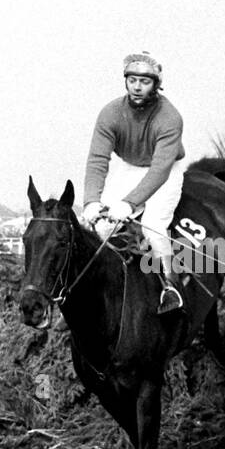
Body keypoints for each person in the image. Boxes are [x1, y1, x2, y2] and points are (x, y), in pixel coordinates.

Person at [82, 52, 188, 314]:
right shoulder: (110, 113)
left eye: (145, 81)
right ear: (126, 82)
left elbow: (159, 171)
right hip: (130, 166)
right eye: (132, 80)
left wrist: (130, 204)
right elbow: (97, 160)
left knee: (153, 227)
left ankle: (171, 285)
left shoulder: (170, 117)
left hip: (165, 168)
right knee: (100, 226)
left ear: (156, 85)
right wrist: (91, 201)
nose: (137, 87)